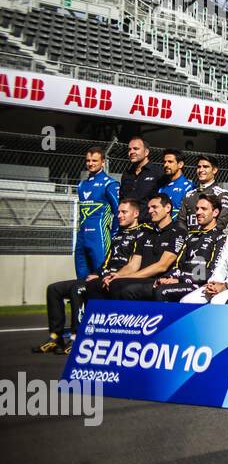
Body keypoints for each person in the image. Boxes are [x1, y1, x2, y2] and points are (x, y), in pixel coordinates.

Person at [39, 198, 143, 354]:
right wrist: (97, 274)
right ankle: (55, 337)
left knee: (78, 289)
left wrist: (108, 276)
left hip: (117, 280)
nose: (119, 215)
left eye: (124, 212)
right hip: (102, 276)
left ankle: (77, 337)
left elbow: (133, 265)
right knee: (53, 289)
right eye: (119, 212)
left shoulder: (142, 234)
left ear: (136, 214)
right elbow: (106, 262)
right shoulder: (117, 236)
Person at [104, 194, 185, 300]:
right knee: (109, 284)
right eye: (149, 208)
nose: (150, 211)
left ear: (168, 208)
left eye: (154, 207)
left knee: (125, 287)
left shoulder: (178, 232)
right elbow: (133, 265)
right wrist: (117, 275)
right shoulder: (146, 233)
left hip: (160, 280)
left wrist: (125, 277)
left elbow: (162, 266)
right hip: (142, 278)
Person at [153, 196, 226, 301]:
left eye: (204, 209)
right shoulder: (190, 236)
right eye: (197, 209)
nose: (198, 212)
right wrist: (167, 277)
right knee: (155, 285)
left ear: (215, 212)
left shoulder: (220, 238)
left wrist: (180, 280)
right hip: (183, 280)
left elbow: (211, 272)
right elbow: (178, 265)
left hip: (200, 284)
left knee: (162, 292)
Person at [74, 146, 119, 281]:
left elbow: (118, 213)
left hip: (99, 237)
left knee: (101, 276)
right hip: (82, 236)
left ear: (103, 162)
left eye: (94, 160)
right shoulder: (81, 185)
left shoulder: (110, 184)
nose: (90, 163)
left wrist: (114, 235)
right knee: (81, 277)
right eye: (88, 160)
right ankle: (83, 303)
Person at [179, 155, 228, 232]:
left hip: (211, 240)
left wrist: (206, 238)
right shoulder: (188, 194)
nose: (201, 170)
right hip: (189, 239)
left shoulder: (223, 194)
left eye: (205, 167)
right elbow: (181, 220)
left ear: (214, 170)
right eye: (199, 167)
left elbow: (222, 222)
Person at [120, 136, 163, 201]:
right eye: (129, 149)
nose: (131, 152)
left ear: (146, 152)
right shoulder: (127, 174)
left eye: (136, 149)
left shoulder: (158, 172)